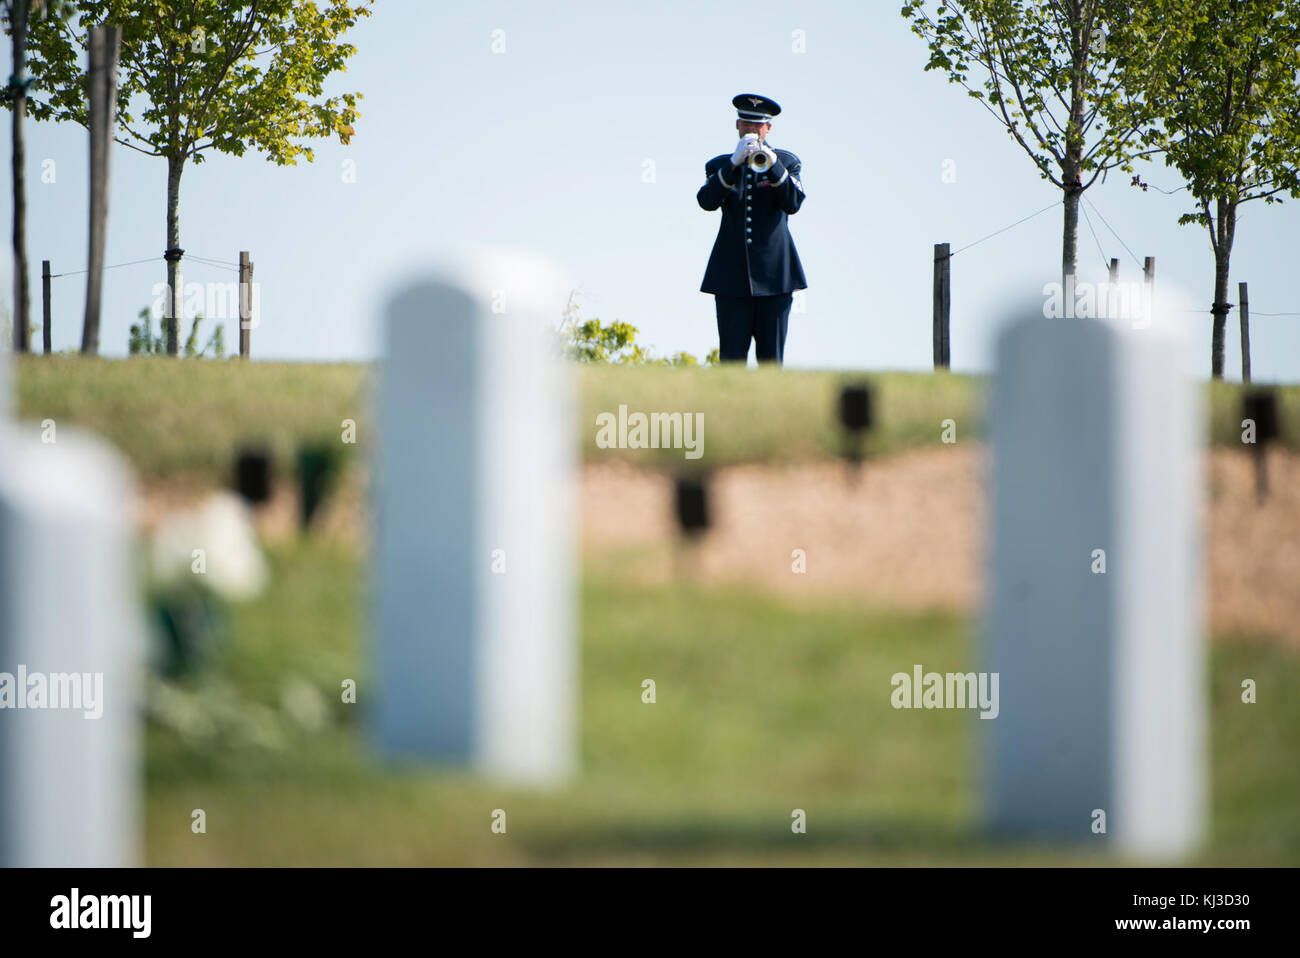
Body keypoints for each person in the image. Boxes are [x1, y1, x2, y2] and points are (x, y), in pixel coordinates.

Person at [696, 93, 807, 365]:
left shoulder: (787, 162)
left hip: (776, 280)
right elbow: (706, 201)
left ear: (768, 128)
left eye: (757, 125)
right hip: (731, 281)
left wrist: (773, 165)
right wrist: (734, 164)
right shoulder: (720, 165)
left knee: (772, 362)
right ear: (737, 125)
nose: (751, 130)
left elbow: (793, 203)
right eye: (746, 123)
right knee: (731, 362)